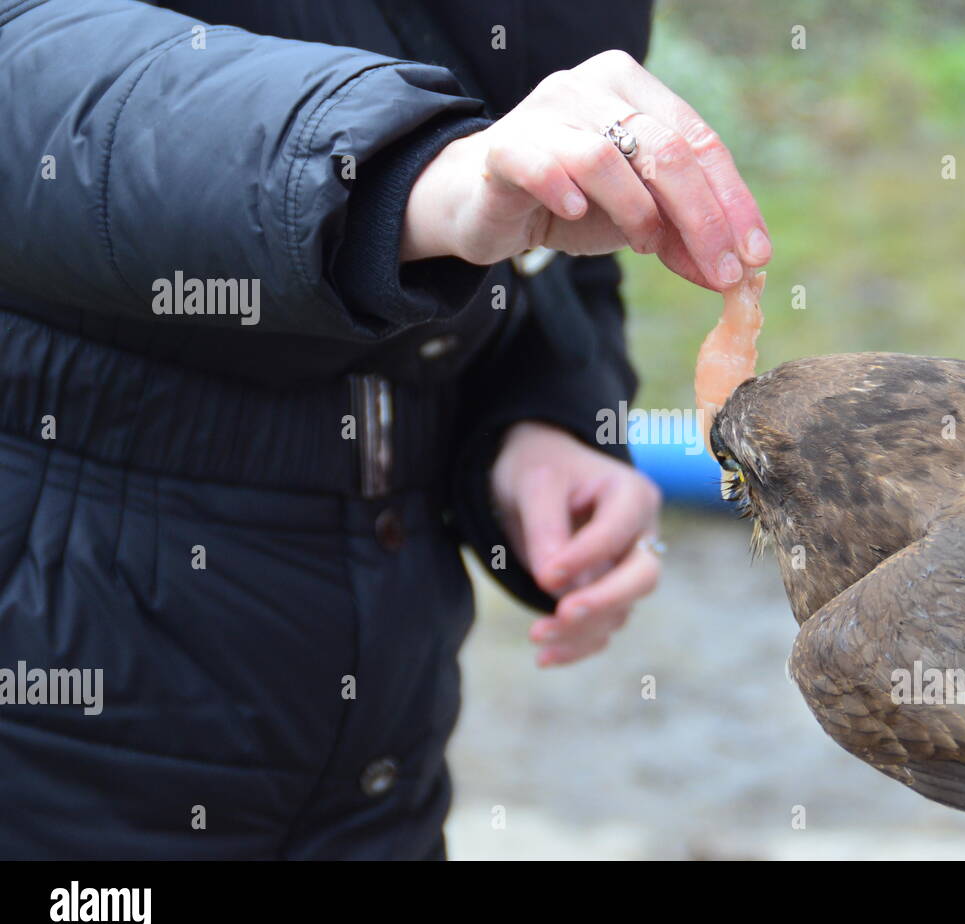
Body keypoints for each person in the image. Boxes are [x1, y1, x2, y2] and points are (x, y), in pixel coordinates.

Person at [0, 0, 770, 859]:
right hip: (58, 691)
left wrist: (544, 409)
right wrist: (400, 165)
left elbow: (541, 206)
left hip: (378, 750)